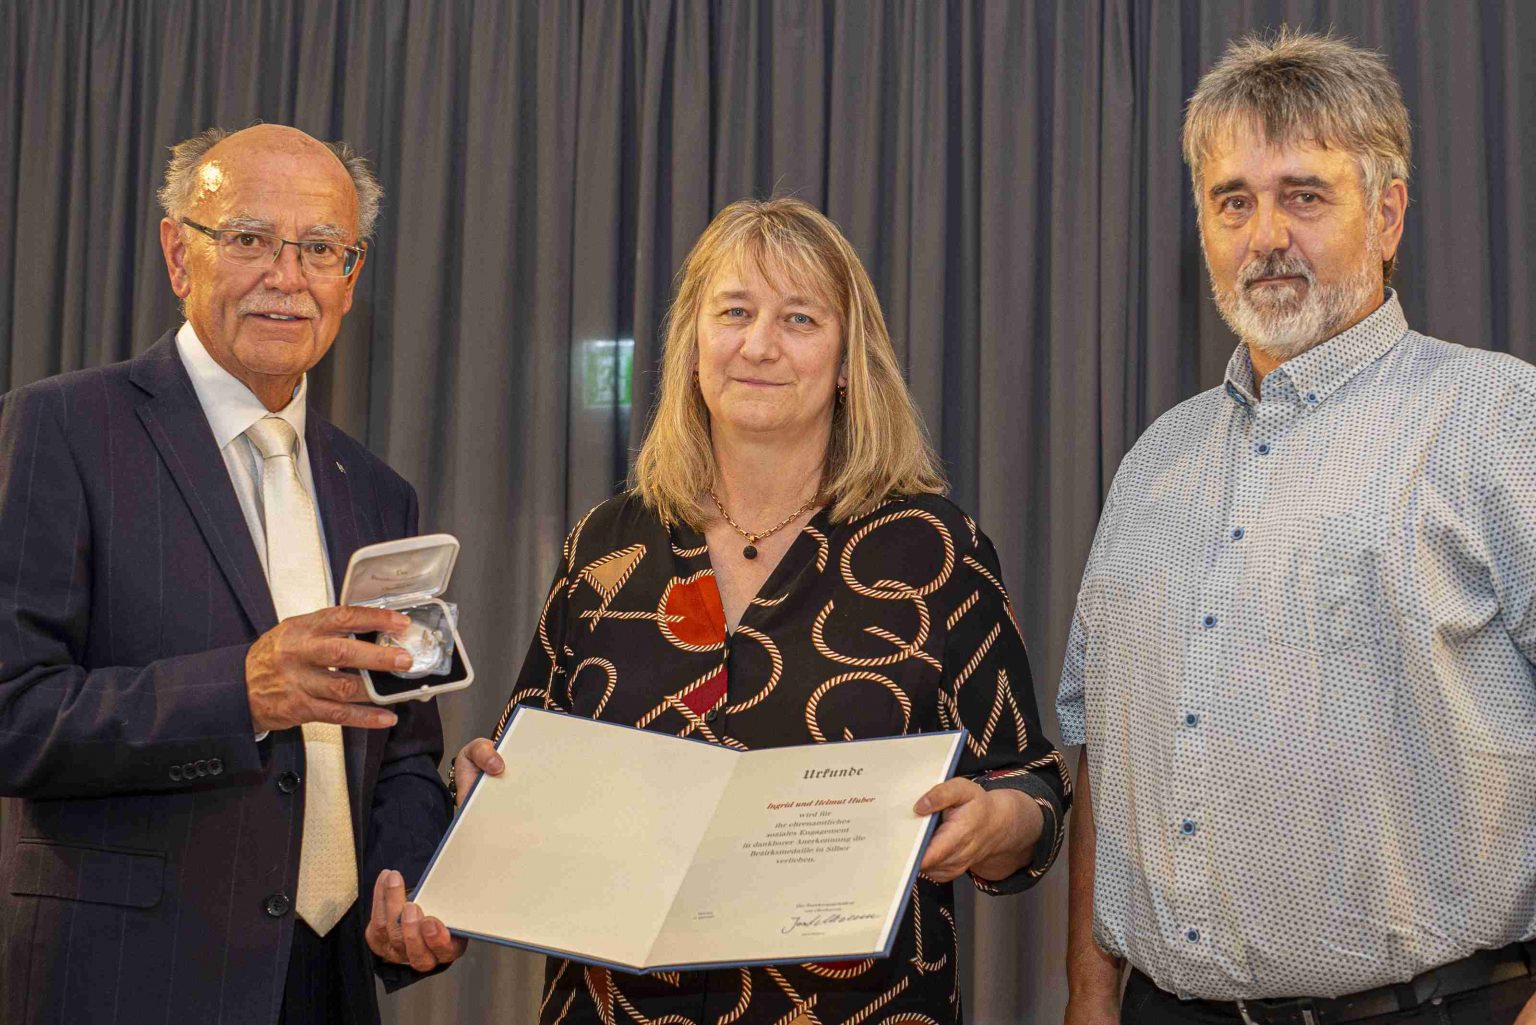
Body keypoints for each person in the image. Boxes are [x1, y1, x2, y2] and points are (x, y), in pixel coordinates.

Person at [443, 196, 1070, 1023]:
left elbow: (1030, 783)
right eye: (734, 312)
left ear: (847, 362)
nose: (760, 345)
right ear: (693, 345)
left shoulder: (934, 549)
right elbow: (525, 752)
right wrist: (485, 783)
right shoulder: (606, 544)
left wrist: (997, 819)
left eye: (799, 318)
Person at [1059, 29, 1536, 1025]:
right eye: (1233, 200)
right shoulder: (1154, 461)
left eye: (1304, 196)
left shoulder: (1498, 421)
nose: (1265, 235)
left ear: (1388, 213)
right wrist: (1090, 999)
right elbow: (1109, 750)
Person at [0, 124, 468, 1025]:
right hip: (130, 984)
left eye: (321, 248)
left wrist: (410, 885)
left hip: (327, 985)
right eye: (251, 238)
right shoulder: (61, 429)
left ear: (350, 278)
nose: (287, 276)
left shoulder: (378, 491)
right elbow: (13, 712)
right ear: (180, 254)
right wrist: (240, 692)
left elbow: (405, 746)